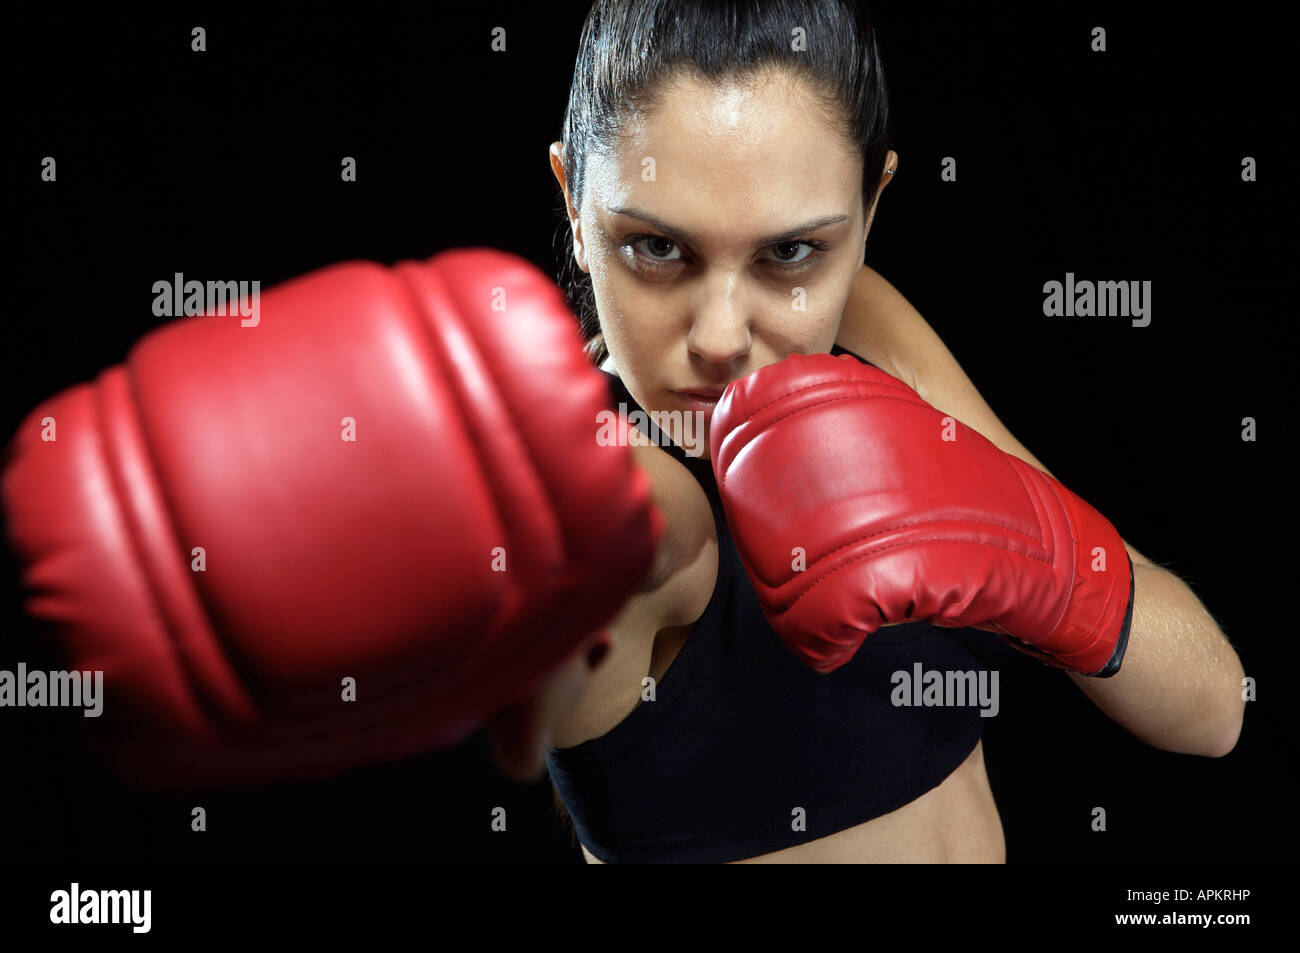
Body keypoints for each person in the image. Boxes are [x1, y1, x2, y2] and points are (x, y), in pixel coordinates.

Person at [541, 0, 1246, 863]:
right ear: (575, 204)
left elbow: (1215, 710)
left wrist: (1056, 573)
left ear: (870, 211)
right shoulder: (611, 501)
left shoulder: (868, 330)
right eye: (656, 247)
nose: (722, 337)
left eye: (790, 254)